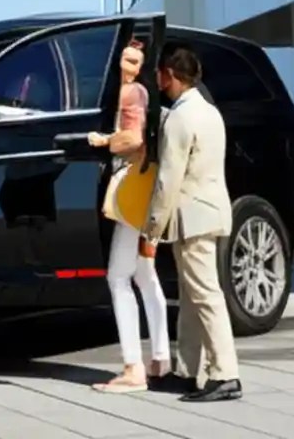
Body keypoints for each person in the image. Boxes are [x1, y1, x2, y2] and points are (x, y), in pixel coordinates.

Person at [144, 44, 242, 402]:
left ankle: (225, 374)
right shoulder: (210, 111)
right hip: (211, 212)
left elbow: (168, 180)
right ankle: (188, 371)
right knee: (190, 297)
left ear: (169, 74)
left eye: (158, 73)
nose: (156, 79)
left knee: (205, 295)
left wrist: (152, 228)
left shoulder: (180, 119)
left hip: (192, 218)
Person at [86, 42, 170, 393]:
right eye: (127, 58)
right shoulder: (138, 92)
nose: (131, 65)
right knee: (145, 276)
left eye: (136, 60)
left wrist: (104, 141)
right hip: (144, 183)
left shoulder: (131, 93)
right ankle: (161, 360)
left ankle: (133, 367)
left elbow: (134, 138)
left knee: (118, 277)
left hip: (133, 183)